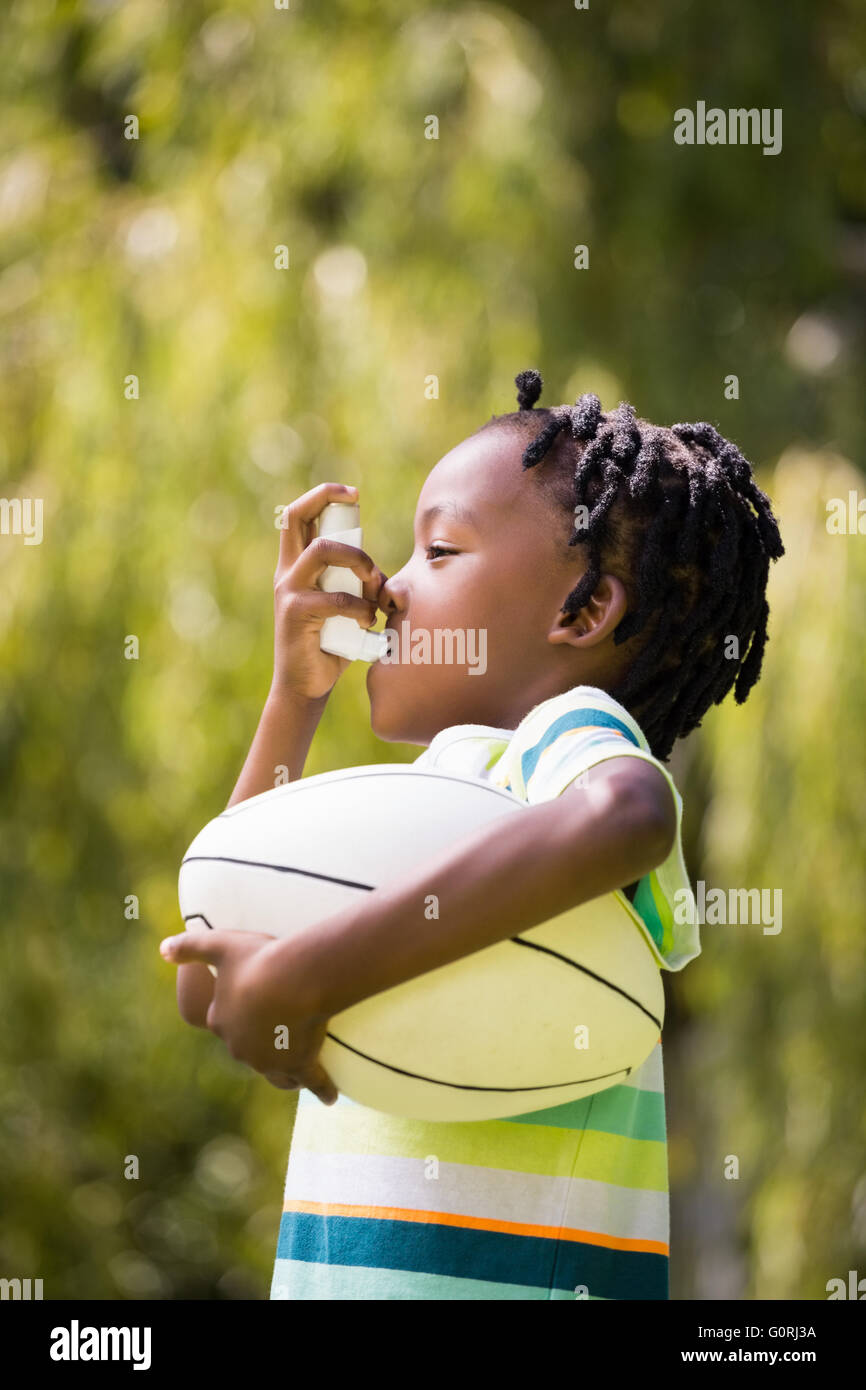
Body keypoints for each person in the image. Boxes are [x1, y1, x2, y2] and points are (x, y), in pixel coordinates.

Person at [160, 368, 784, 1299]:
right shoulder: (434, 805)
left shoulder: (563, 739)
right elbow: (207, 981)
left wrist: (317, 972)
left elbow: (628, 817)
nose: (391, 591)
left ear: (582, 610)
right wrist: (293, 698)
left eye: (440, 551)